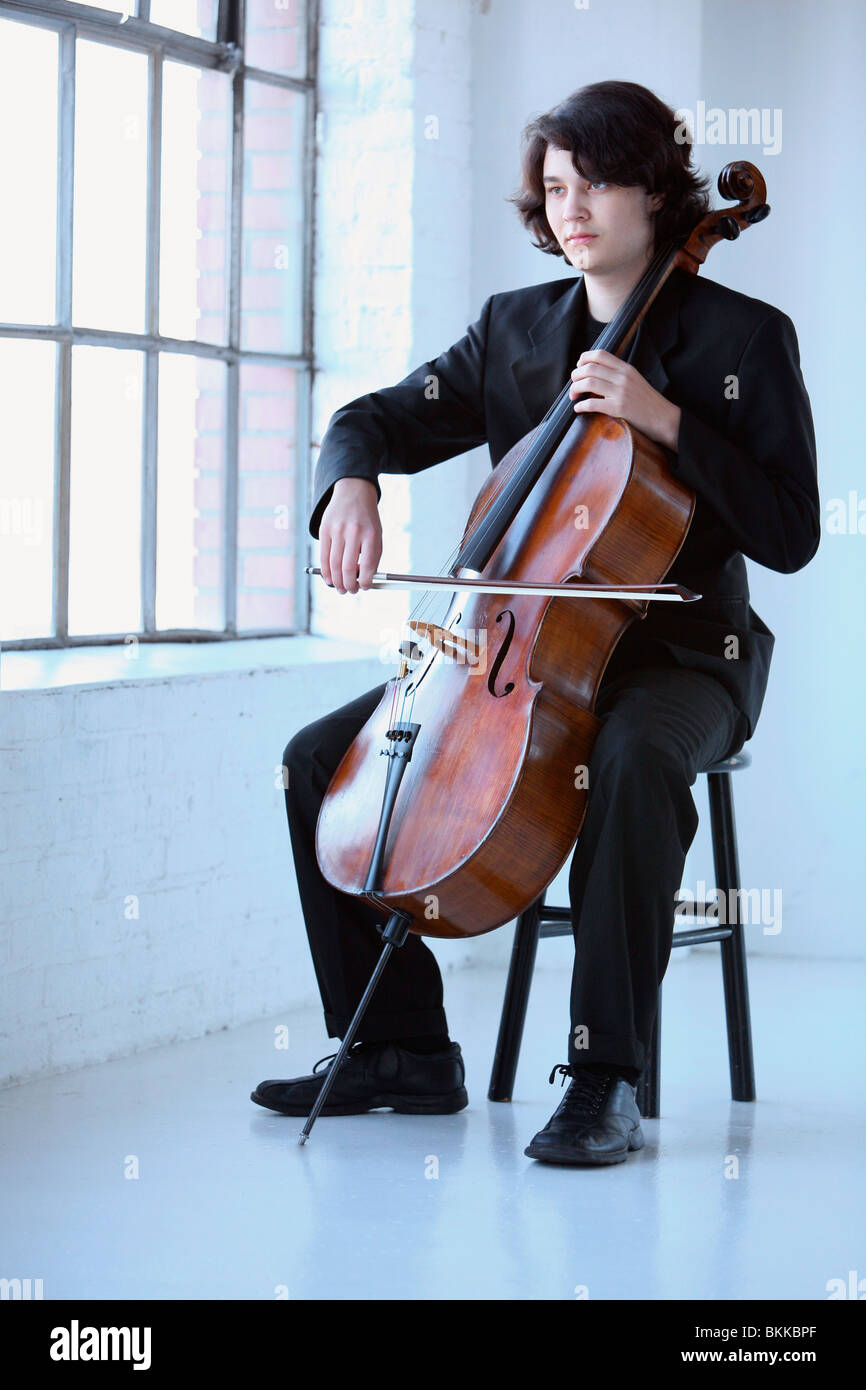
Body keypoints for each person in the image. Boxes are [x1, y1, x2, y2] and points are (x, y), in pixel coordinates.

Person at [251, 80, 819, 1165]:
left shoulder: (741, 337)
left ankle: (603, 1073)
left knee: (629, 757)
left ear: (658, 191)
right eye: (555, 186)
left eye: (596, 181)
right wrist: (353, 481)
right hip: (516, 656)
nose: (572, 206)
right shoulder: (515, 329)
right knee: (313, 759)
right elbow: (366, 418)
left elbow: (791, 530)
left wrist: (662, 419)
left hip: (686, 658)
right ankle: (398, 1049)